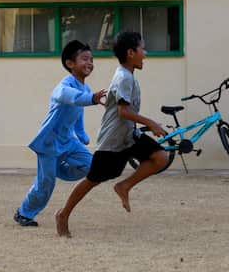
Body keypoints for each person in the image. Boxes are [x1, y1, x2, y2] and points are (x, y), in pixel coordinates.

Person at [54, 31, 169, 237]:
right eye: (143, 48)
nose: (146, 53)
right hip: (113, 141)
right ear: (131, 52)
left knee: (160, 157)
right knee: (93, 179)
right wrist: (150, 123)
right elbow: (123, 111)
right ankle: (63, 215)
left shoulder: (128, 76)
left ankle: (124, 186)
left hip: (129, 136)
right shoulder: (124, 77)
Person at [13, 40, 107, 227]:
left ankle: (54, 170)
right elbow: (67, 96)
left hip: (68, 141)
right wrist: (91, 99)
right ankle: (24, 213)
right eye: (84, 59)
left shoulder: (86, 88)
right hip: (48, 143)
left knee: (91, 166)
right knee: (46, 184)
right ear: (70, 63)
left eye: (91, 59)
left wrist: (82, 135)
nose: (89, 63)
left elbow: (78, 114)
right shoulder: (64, 85)